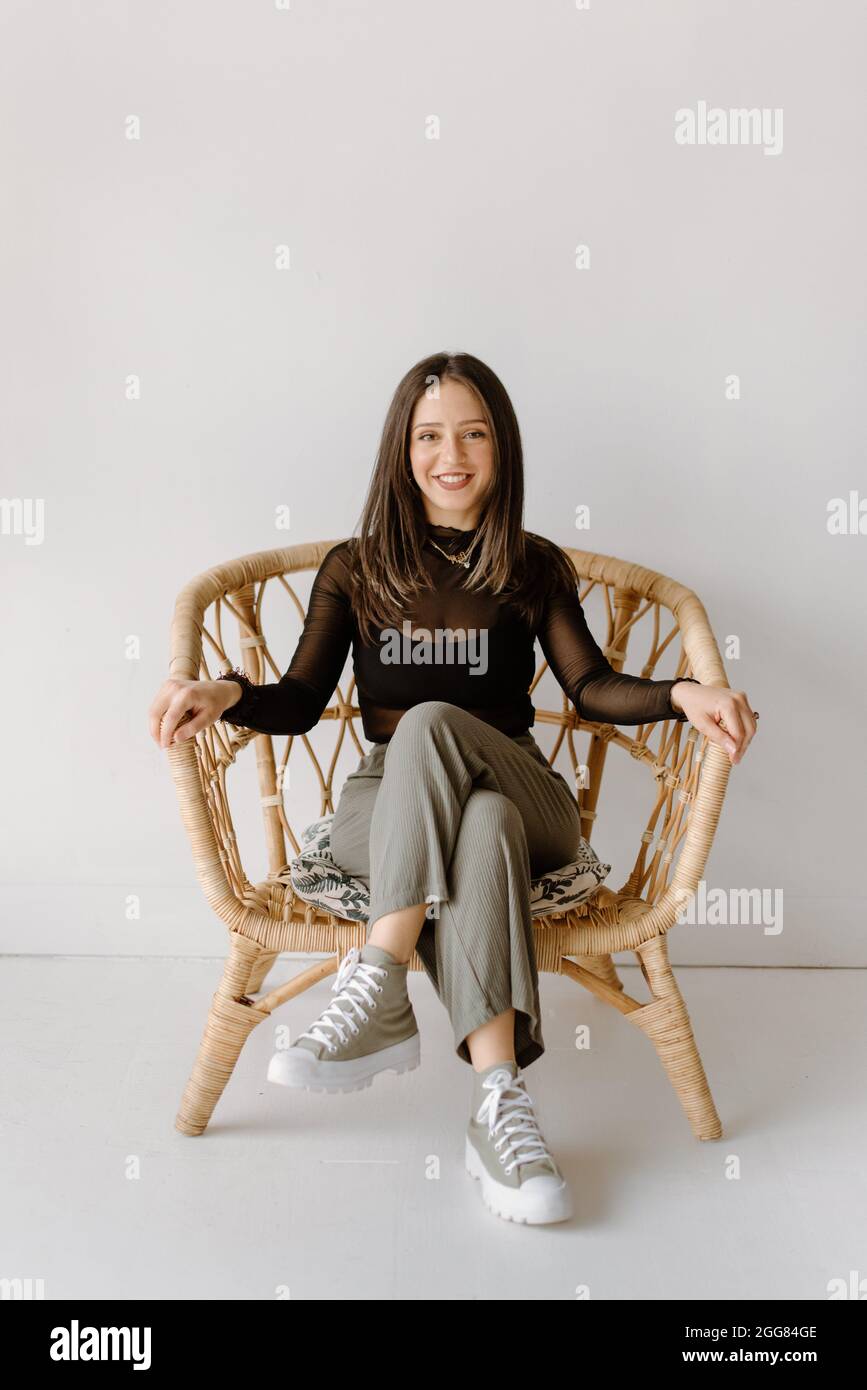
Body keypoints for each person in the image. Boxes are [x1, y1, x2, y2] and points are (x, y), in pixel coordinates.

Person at [149, 351, 757, 1226]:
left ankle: (379, 981)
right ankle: (499, 1105)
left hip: (520, 778)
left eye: (473, 434)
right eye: (429, 436)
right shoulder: (355, 569)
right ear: (402, 451)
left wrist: (681, 694)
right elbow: (301, 700)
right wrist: (224, 693)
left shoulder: (532, 565)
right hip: (387, 801)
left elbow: (590, 688)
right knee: (481, 824)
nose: (451, 455)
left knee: (443, 734)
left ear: (500, 447)